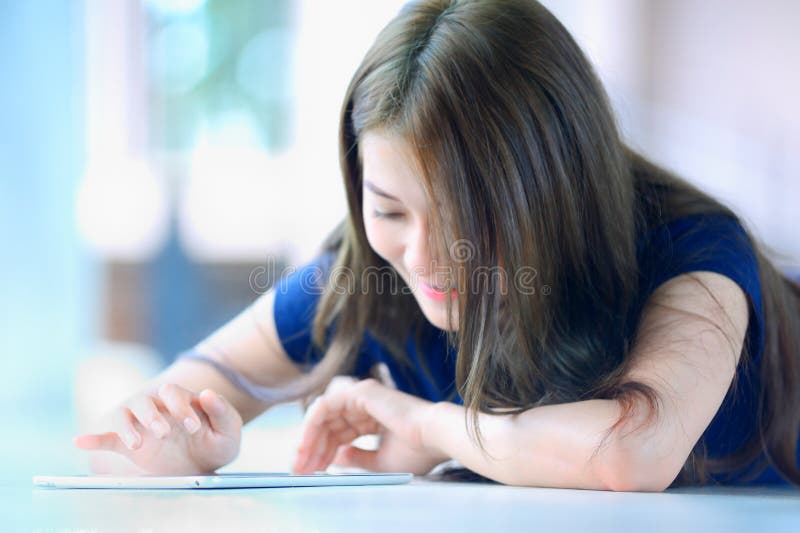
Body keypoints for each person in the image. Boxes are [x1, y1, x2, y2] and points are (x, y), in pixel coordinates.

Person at [74, 0, 800, 491]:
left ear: (550, 189)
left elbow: (632, 451)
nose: (423, 258)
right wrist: (181, 446)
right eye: (389, 209)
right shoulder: (366, 281)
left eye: (466, 218)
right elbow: (150, 411)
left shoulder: (693, 256)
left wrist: (430, 428)